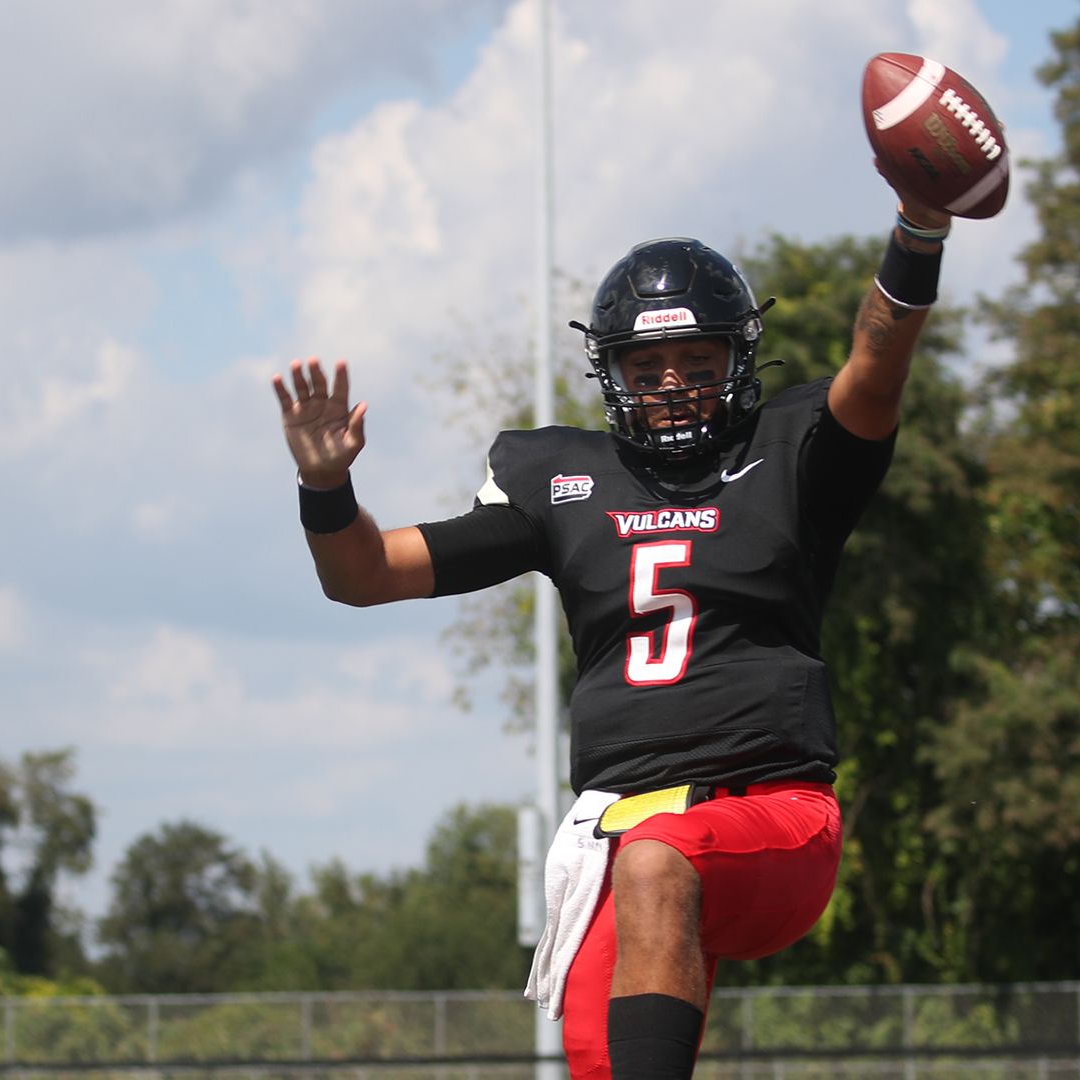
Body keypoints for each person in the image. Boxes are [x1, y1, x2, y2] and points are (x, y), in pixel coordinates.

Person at [272, 172, 957, 1080]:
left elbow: (876, 370)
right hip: (618, 828)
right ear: (613, 373)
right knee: (603, 1053)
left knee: (660, 859)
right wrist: (327, 486)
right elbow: (361, 576)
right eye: (647, 367)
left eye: (698, 363)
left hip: (773, 815)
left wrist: (918, 227)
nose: (673, 385)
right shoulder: (561, 479)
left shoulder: (789, 451)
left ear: (739, 360)